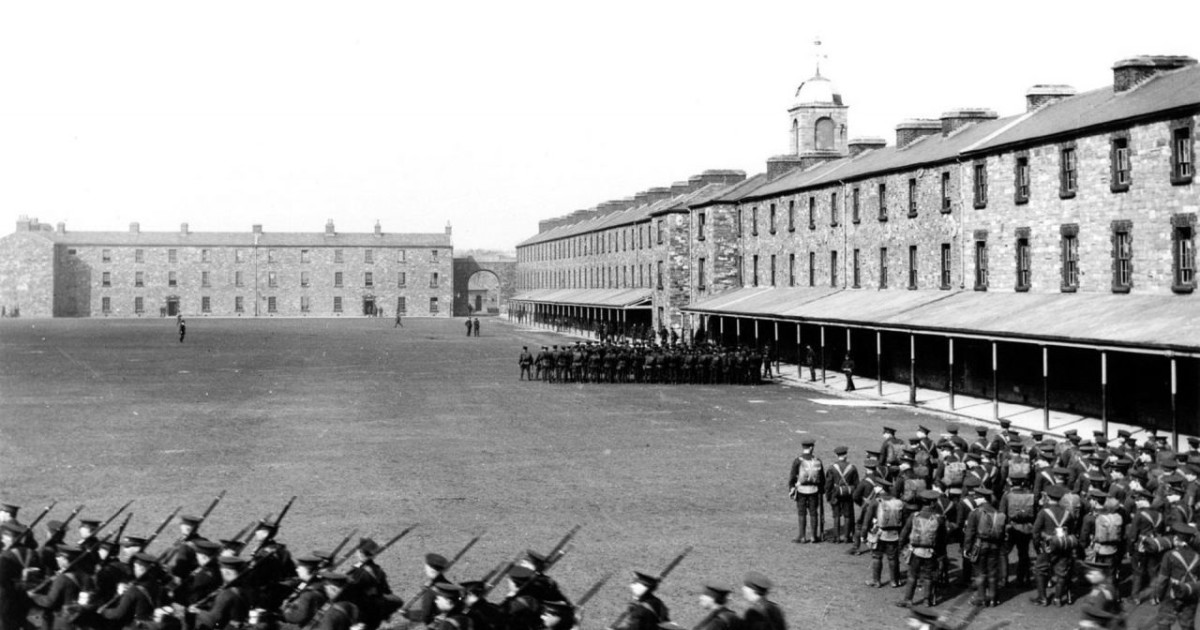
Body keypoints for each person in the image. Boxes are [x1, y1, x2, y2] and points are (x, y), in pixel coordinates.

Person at [788, 440, 824, 543]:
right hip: (814, 490)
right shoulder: (818, 460)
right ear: (812, 448)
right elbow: (821, 477)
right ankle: (813, 536)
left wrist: (791, 488)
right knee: (813, 512)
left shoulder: (798, 460)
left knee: (801, 512)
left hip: (801, 490)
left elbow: (792, 476)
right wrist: (821, 490)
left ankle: (802, 536)